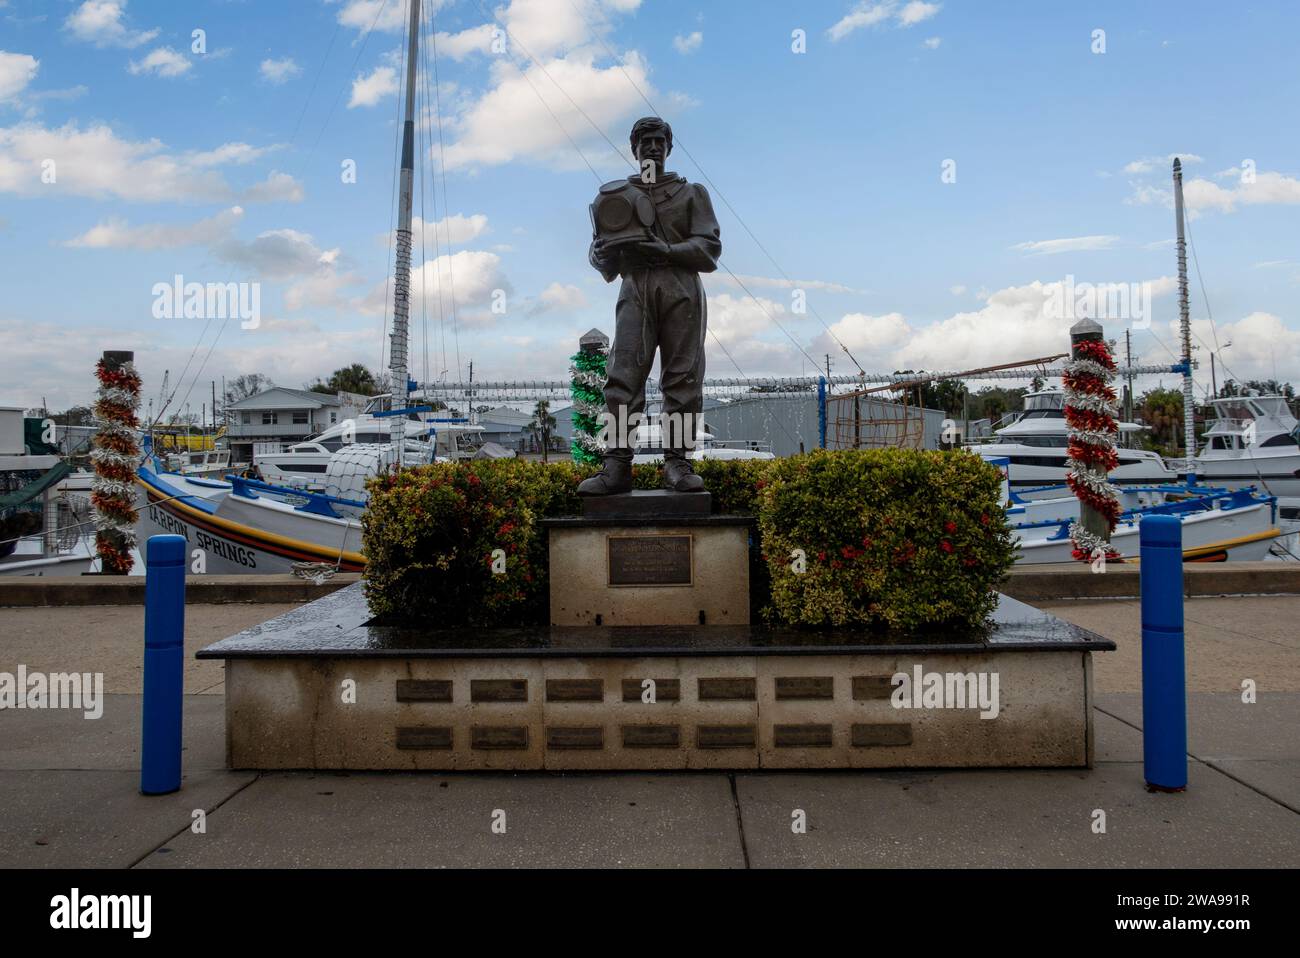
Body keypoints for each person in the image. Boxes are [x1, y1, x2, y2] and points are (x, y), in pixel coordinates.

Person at [578, 116, 722, 496]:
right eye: (645, 142)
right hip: (635, 286)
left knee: (683, 378)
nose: (653, 147)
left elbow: (708, 250)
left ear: (670, 147)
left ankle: (677, 462)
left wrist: (668, 250)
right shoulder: (615, 197)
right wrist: (599, 254)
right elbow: (602, 257)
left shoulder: (691, 193)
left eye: (660, 141)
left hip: (680, 286)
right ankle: (616, 465)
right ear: (634, 149)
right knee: (622, 377)